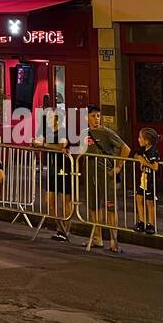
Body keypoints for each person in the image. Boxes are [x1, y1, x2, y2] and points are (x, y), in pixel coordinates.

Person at [81, 106, 129, 253]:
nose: (96, 119)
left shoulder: (106, 132)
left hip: (106, 174)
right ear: (86, 117)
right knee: (93, 206)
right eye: (93, 116)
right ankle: (97, 237)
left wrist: (118, 167)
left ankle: (114, 241)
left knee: (110, 206)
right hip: (90, 173)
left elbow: (125, 148)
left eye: (98, 116)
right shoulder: (84, 134)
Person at [37, 104, 74, 241]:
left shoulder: (63, 130)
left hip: (64, 167)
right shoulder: (47, 132)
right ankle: (60, 228)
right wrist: (36, 142)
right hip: (52, 168)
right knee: (49, 200)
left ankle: (66, 230)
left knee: (65, 200)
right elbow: (37, 143)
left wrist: (43, 145)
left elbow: (61, 146)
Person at [133, 127, 161, 233]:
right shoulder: (143, 150)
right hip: (143, 179)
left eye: (140, 138)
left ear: (147, 141)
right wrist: (140, 159)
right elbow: (136, 154)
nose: (138, 139)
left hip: (151, 180)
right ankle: (141, 221)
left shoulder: (153, 152)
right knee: (139, 198)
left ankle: (151, 224)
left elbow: (155, 167)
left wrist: (145, 163)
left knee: (150, 202)